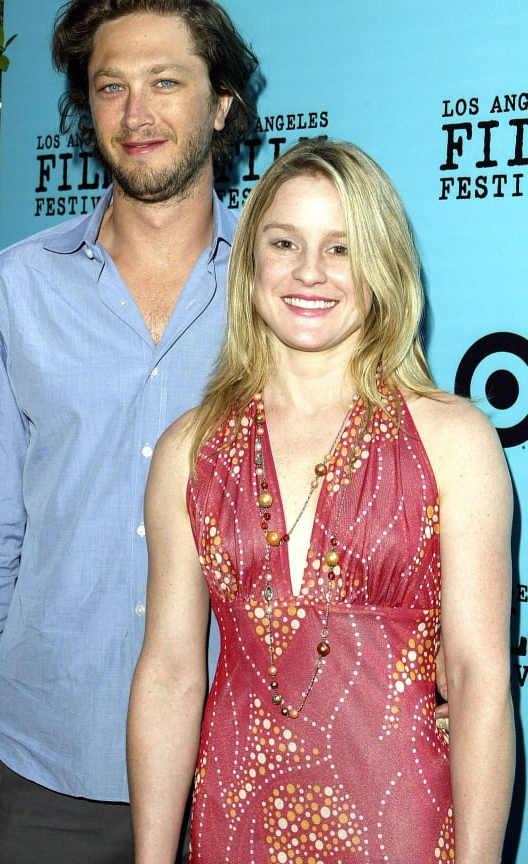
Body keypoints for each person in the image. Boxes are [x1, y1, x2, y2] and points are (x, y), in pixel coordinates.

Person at [0, 0, 259, 864]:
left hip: (238, 760)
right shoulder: (17, 289)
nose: (136, 112)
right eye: (111, 86)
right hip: (47, 759)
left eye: (165, 81)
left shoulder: (282, 289)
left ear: (221, 104)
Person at [127, 137, 515, 863]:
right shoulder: (189, 450)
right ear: (250, 263)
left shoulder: (454, 440)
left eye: (341, 248)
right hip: (235, 820)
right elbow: (171, 673)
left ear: (382, 267)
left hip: (402, 825)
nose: (310, 271)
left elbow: (478, 681)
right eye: (284, 243)